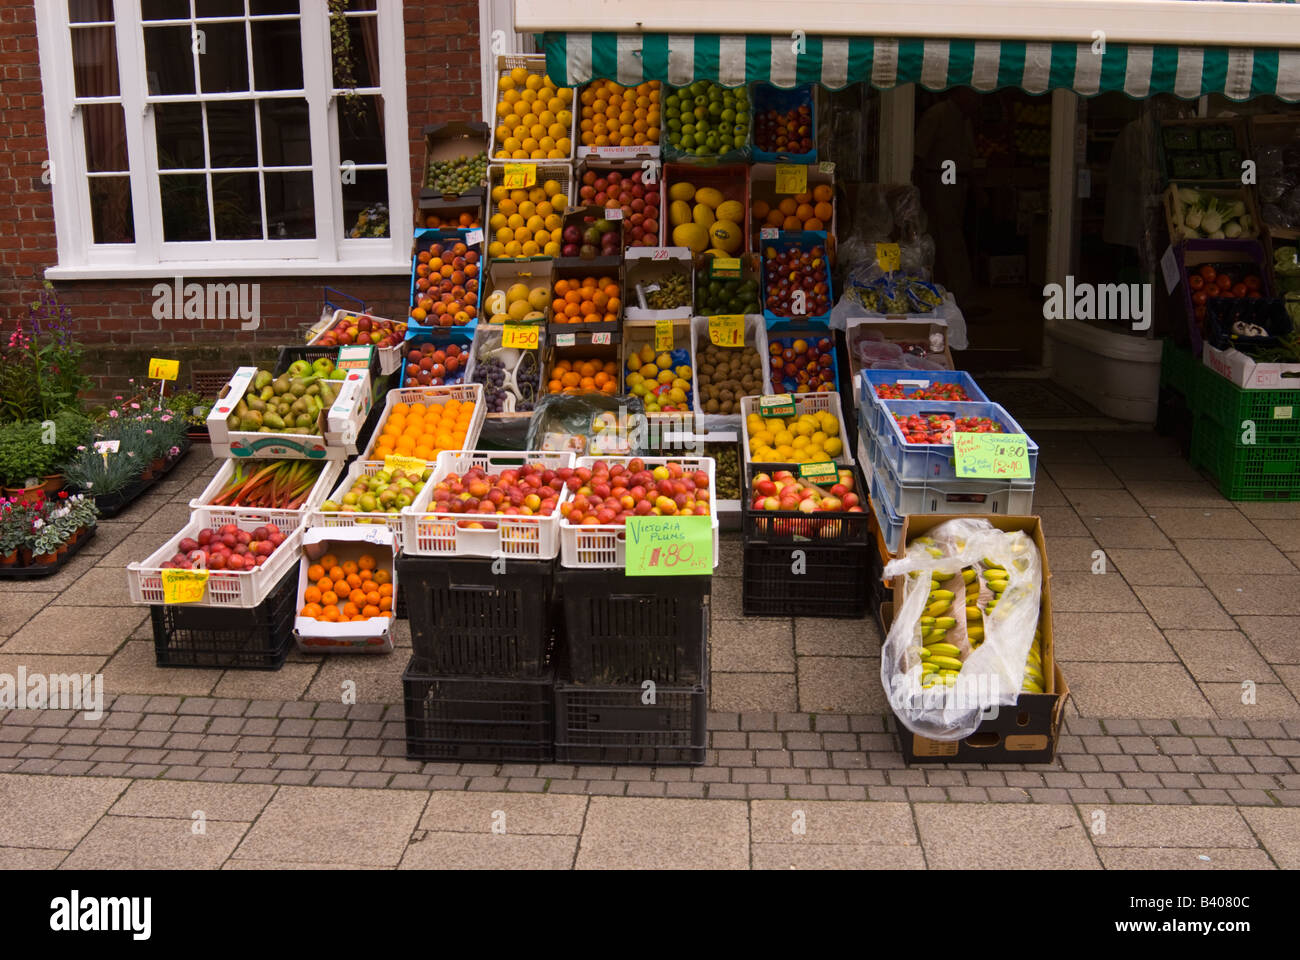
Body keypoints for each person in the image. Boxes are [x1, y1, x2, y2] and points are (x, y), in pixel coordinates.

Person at [915, 87, 979, 305]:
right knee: (948, 236)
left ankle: (951, 293)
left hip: (957, 179)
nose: (976, 100)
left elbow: (968, 154)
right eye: (972, 95)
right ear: (959, 93)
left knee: (949, 235)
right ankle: (959, 296)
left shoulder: (964, 119)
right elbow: (920, 154)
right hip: (941, 177)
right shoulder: (938, 114)